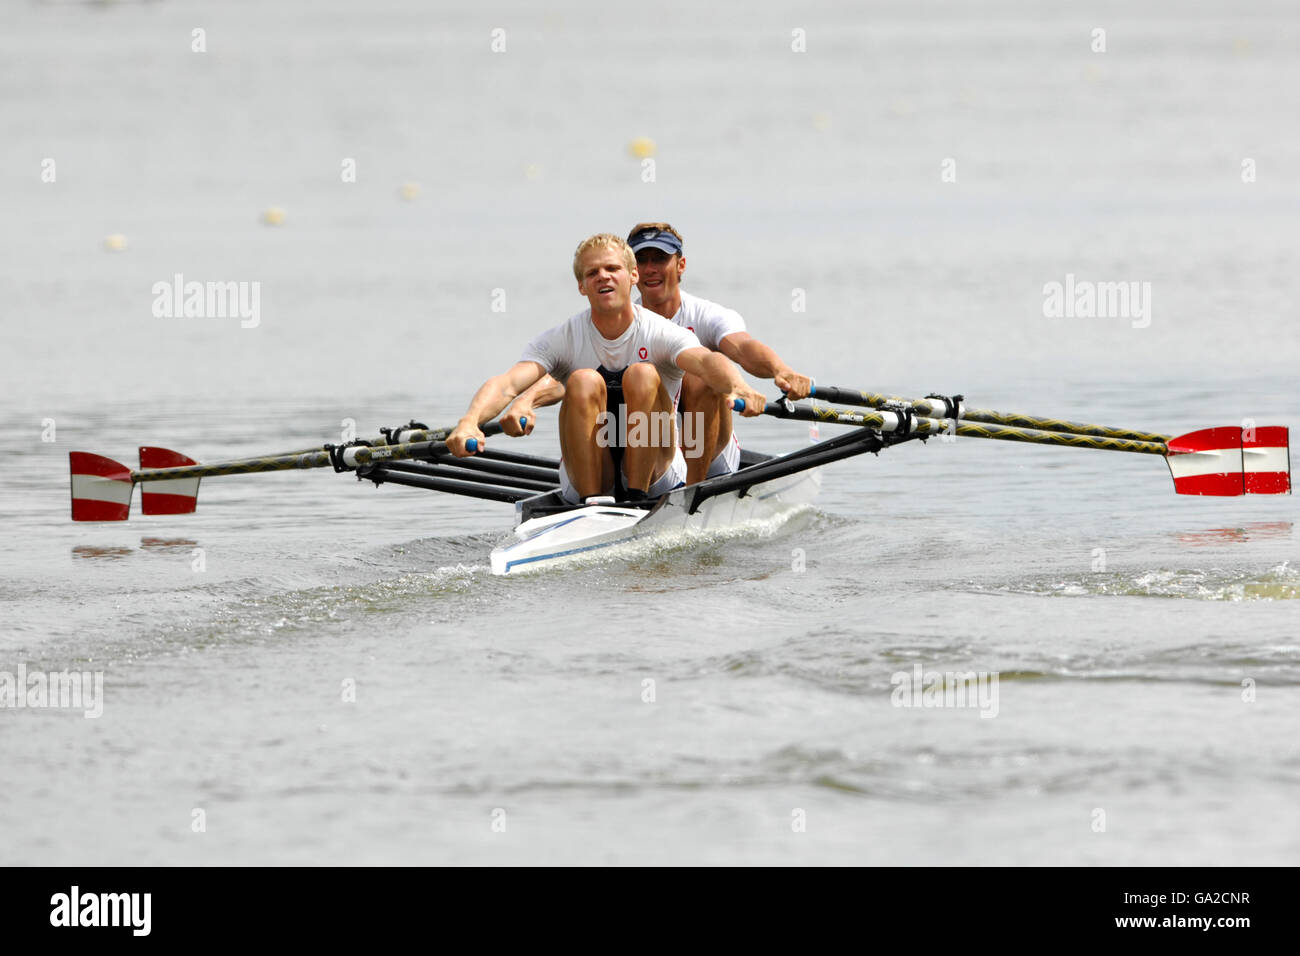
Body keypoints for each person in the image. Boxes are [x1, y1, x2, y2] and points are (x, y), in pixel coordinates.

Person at [446, 234, 766, 504]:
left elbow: (707, 361)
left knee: (642, 373)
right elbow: (507, 385)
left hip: (657, 472)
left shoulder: (660, 332)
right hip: (593, 473)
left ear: (633, 277)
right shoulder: (563, 338)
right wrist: (469, 422)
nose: (603, 276)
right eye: (592, 272)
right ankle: (592, 503)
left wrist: (739, 386)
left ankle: (638, 495)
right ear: (582, 286)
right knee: (584, 380)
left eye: (613, 268)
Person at [501, 223, 812, 483]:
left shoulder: (708, 315)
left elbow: (743, 349)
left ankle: (692, 488)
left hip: (703, 443)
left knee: (697, 374)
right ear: (633, 270)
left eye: (659, 259)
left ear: (680, 265)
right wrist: (525, 401)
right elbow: (567, 373)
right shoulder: (620, 319)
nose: (651, 269)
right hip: (646, 442)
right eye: (642, 260)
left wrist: (780, 371)